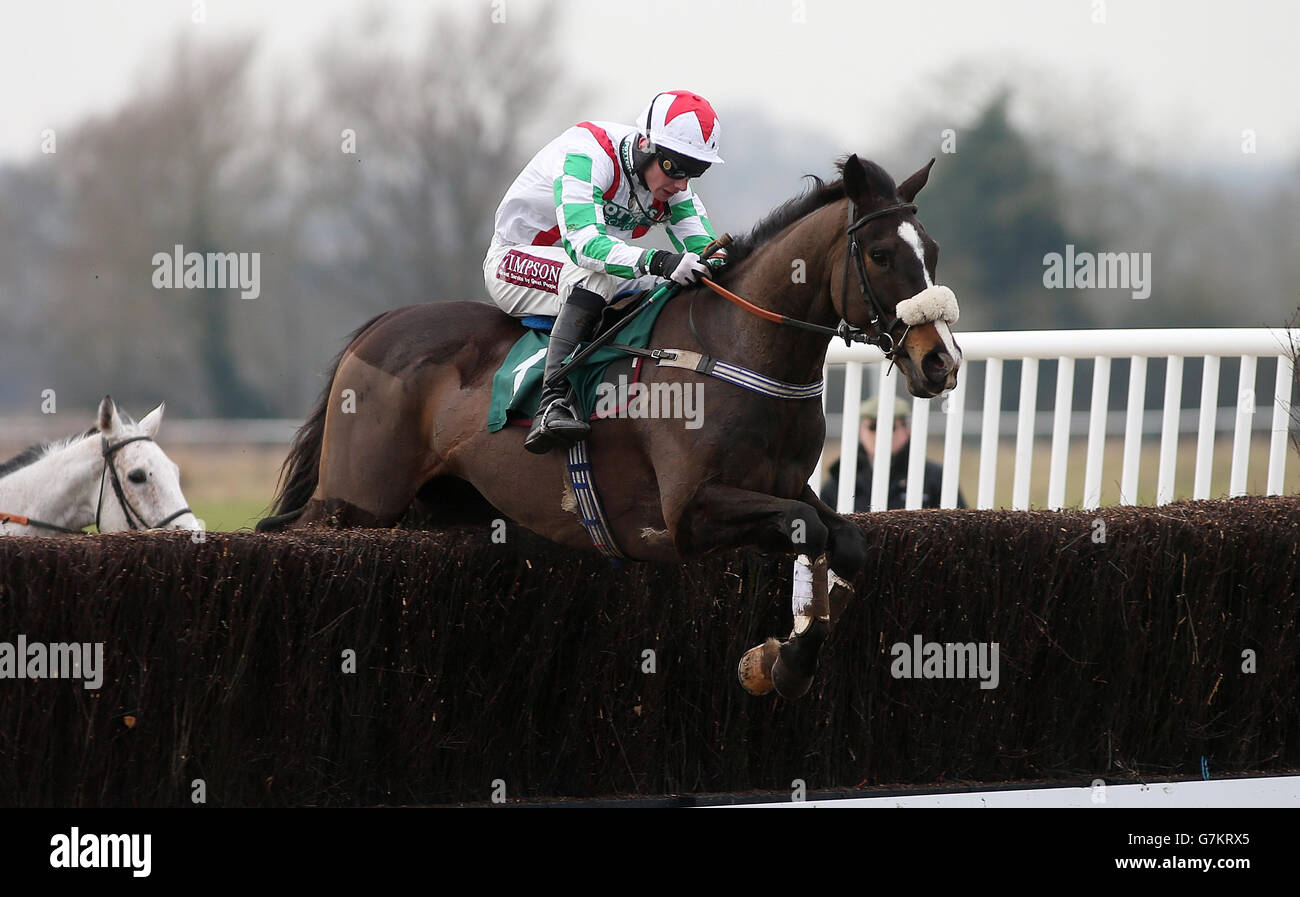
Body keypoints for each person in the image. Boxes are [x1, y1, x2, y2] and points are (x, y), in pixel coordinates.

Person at [483, 90, 726, 454]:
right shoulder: (587, 152)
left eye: (695, 172)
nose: (681, 184)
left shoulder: (670, 183)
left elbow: (707, 252)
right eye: (675, 168)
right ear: (645, 145)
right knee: (595, 278)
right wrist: (660, 261)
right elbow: (583, 245)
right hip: (514, 262)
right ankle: (552, 400)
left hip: (594, 271)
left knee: (677, 283)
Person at [820, 397, 967, 511]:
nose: (881, 434)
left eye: (890, 427)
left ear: (906, 430)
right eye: (873, 427)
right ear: (861, 431)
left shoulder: (935, 478)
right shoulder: (839, 479)